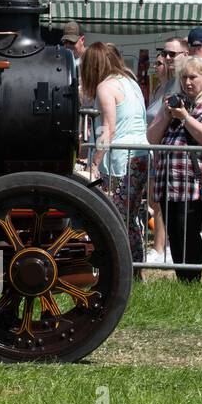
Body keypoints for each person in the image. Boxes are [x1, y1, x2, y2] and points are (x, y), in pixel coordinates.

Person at [146, 57, 202, 281]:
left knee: (188, 231)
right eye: (184, 77)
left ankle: (191, 278)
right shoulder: (176, 102)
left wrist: (186, 117)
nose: (188, 82)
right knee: (174, 231)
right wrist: (166, 114)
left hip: (195, 183)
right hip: (169, 181)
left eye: (193, 77)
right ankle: (184, 279)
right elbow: (152, 138)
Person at [81, 42, 149, 264]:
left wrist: (94, 162)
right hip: (142, 153)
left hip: (121, 158)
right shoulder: (130, 82)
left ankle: (124, 265)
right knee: (129, 216)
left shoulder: (105, 86)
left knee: (117, 216)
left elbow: (107, 128)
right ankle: (135, 264)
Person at [146, 37, 189, 124]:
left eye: (172, 54)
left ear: (185, 54)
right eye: (164, 54)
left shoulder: (190, 81)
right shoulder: (170, 84)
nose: (168, 58)